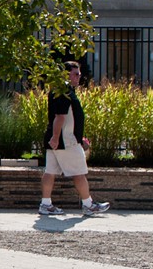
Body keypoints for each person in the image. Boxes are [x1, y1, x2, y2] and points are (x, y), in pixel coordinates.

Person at [41, 60, 110, 216]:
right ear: (67, 75)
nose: (79, 77)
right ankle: (88, 204)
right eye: (76, 74)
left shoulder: (61, 91)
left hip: (61, 139)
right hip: (66, 141)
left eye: (79, 74)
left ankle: (45, 204)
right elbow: (59, 117)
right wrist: (57, 137)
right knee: (79, 173)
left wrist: (75, 136)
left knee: (50, 171)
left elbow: (69, 118)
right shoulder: (63, 92)